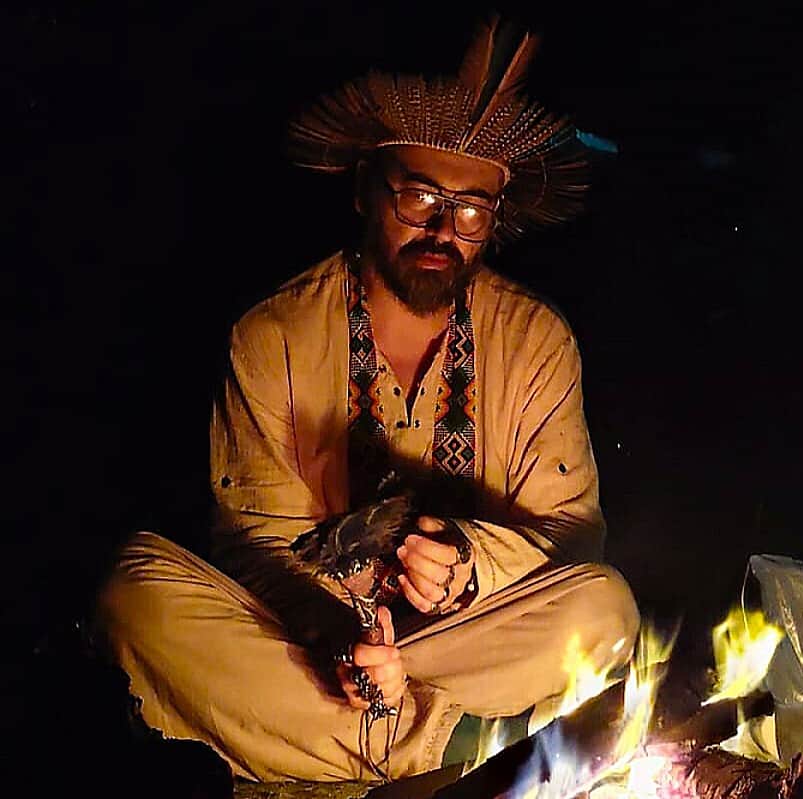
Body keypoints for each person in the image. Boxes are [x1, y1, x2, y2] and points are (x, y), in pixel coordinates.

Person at [95, 16, 639, 783]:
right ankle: (446, 746)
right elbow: (255, 539)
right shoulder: (272, 334)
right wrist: (339, 643)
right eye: (419, 196)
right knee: (134, 593)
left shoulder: (537, 340)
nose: (444, 229)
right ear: (363, 189)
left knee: (604, 610)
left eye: (473, 211)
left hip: (466, 640)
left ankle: (337, 743)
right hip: (314, 648)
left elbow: (575, 536)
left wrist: (469, 567)